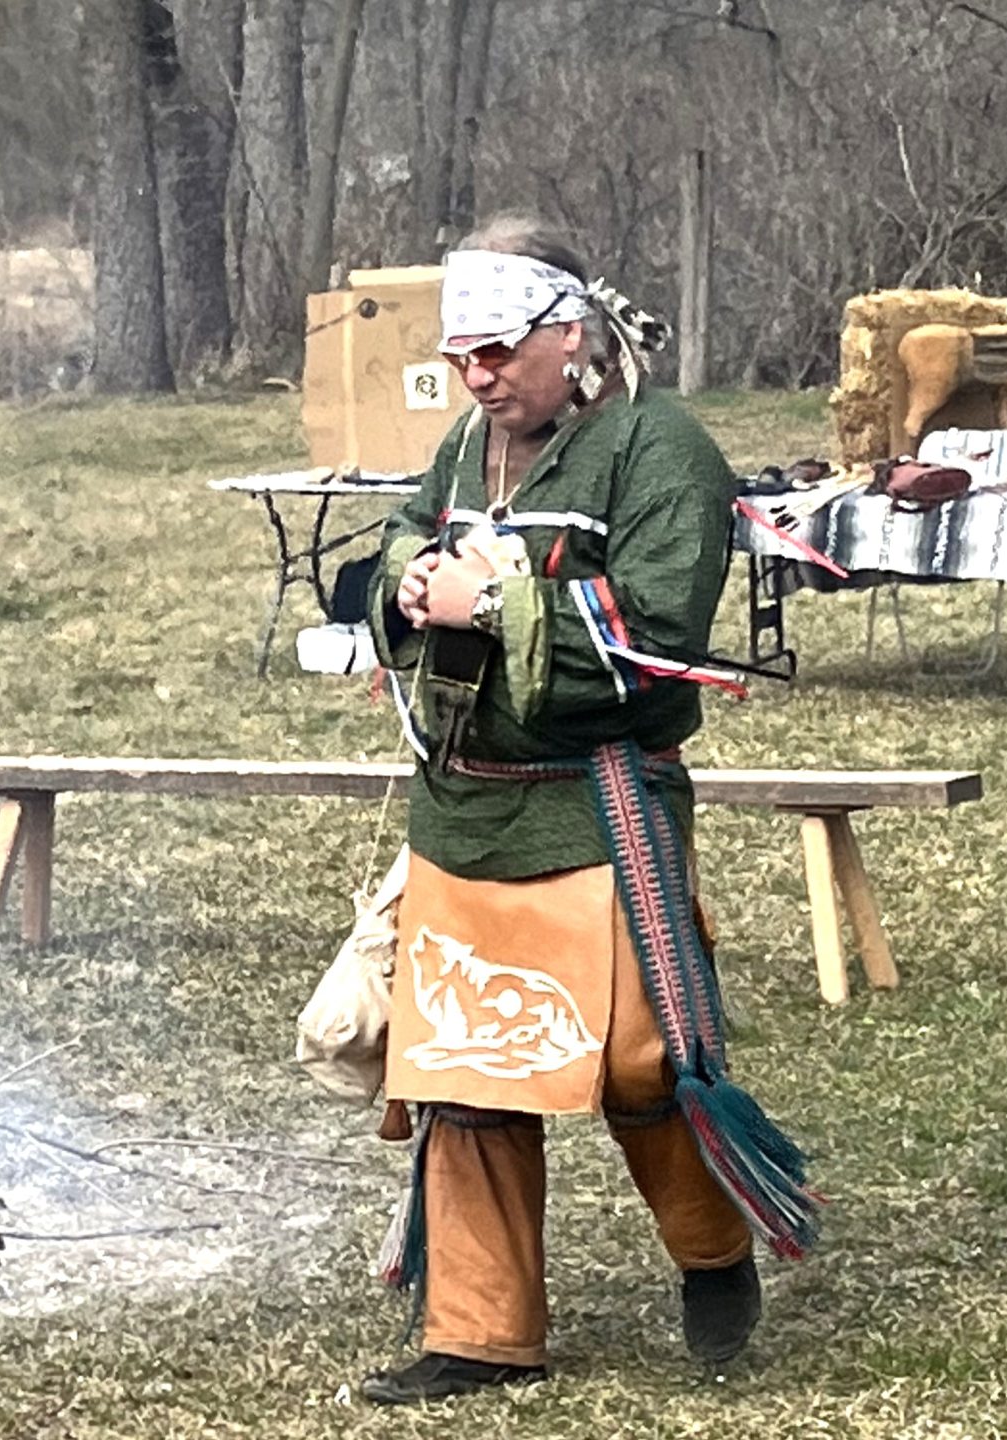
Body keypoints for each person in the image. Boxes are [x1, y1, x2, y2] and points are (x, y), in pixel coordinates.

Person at [356, 217, 816, 1404]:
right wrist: (408, 585)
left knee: (634, 1064)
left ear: (571, 332)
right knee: (466, 1065)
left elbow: (661, 637)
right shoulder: (471, 441)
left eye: (498, 351)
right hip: (466, 803)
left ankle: (712, 1251)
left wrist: (496, 602)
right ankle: (479, 1331)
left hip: (597, 800)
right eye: (461, 356)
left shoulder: (662, 449)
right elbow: (410, 536)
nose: (476, 377)